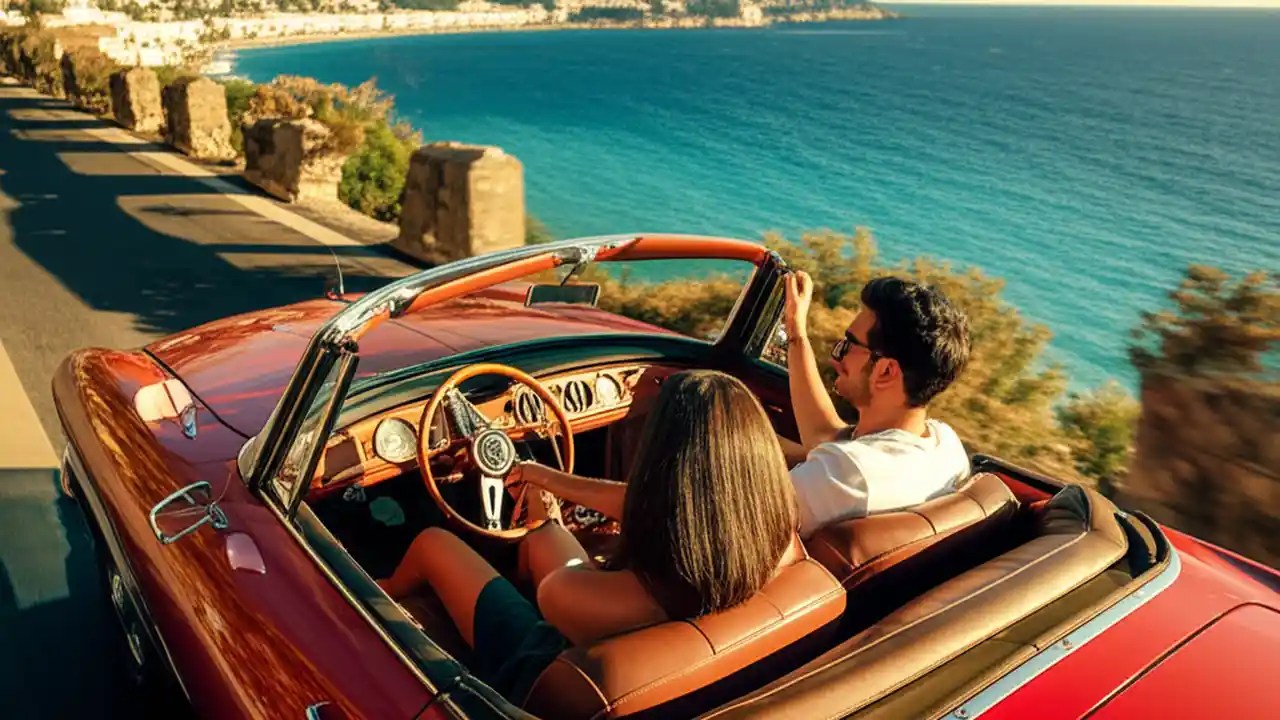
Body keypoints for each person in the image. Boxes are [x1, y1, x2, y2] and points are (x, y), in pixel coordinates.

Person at [379, 370, 802, 705]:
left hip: (546, 667)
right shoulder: (772, 531)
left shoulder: (605, 596)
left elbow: (556, 592)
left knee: (434, 542)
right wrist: (545, 478)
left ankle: (381, 596)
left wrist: (548, 513)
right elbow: (659, 503)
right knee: (541, 537)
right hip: (641, 643)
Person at [779, 272, 972, 539]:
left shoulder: (849, 476)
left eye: (849, 344)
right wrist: (796, 333)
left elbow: (733, 511)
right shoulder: (946, 448)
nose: (836, 357)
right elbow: (825, 438)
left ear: (886, 371)